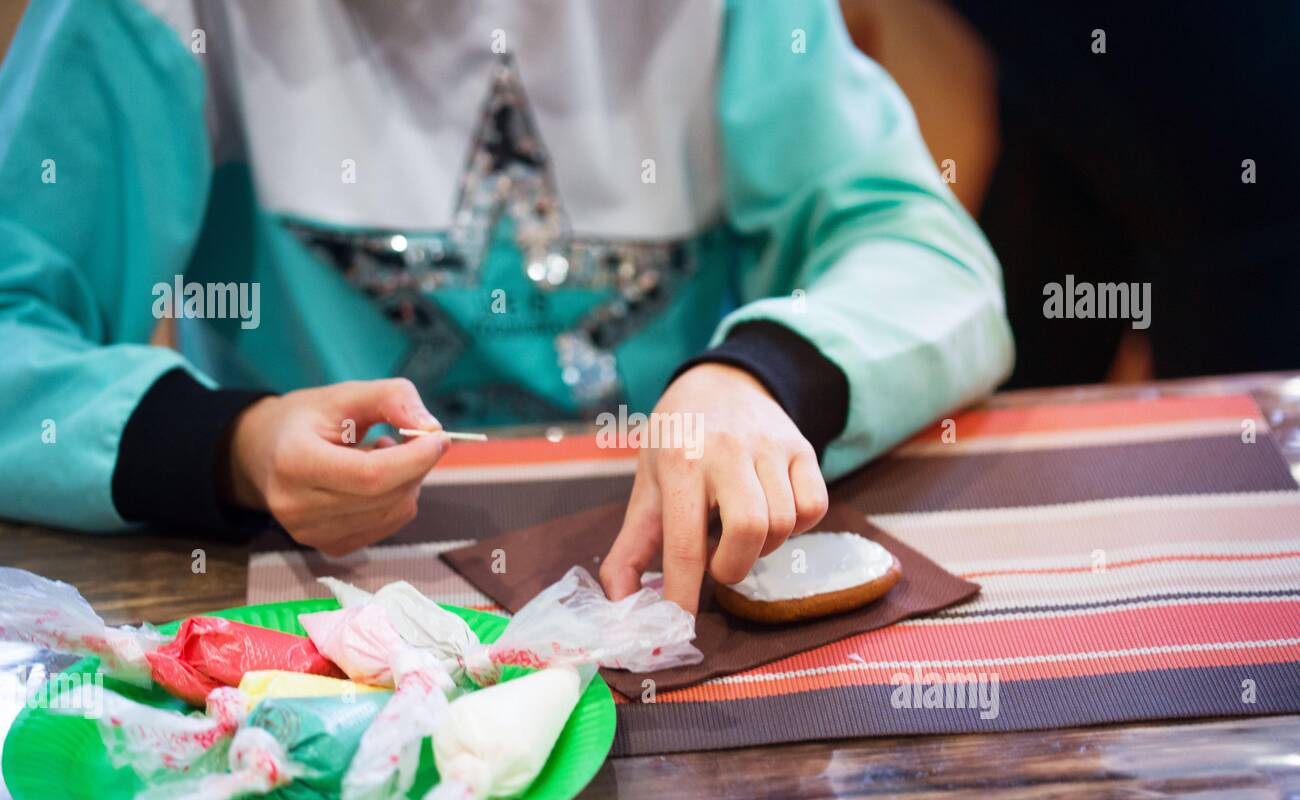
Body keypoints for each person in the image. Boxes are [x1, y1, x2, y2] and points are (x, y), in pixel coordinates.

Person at [0, 0, 1013, 614]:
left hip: (672, 580)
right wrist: (229, 443)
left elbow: (918, 250)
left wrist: (759, 375)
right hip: (307, 598)